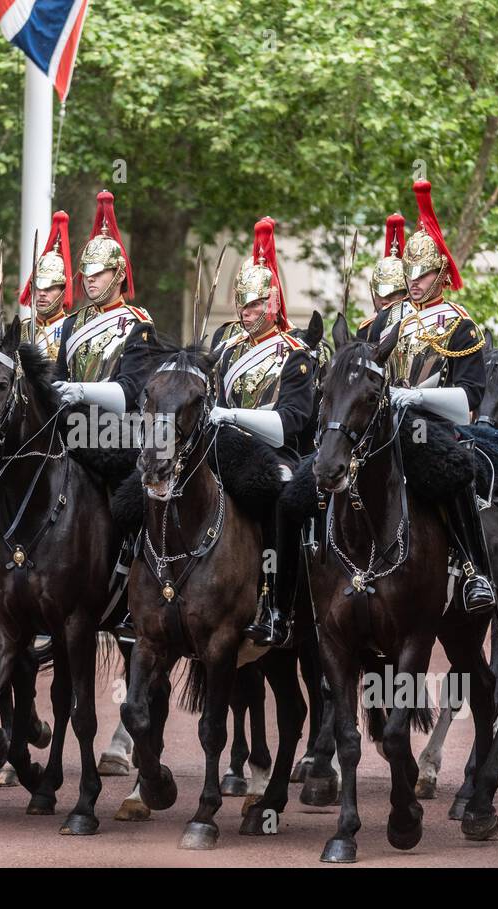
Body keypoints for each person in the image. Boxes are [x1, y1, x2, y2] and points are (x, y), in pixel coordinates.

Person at [380, 180, 494, 612]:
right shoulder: (384, 324)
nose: (413, 282)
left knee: (451, 470)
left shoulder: (461, 325)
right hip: (379, 426)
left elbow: (468, 400)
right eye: (409, 274)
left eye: (423, 273)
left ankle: (473, 569)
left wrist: (415, 399)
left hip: (432, 427)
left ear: (442, 273)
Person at [212, 217, 316, 646]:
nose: (245, 312)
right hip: (221, 447)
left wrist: (228, 416)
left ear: (272, 303)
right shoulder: (223, 344)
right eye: (242, 304)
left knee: (281, 489)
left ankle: (276, 605)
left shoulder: (296, 353)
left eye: (254, 305)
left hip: (274, 452)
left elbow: (291, 422)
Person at [52, 191, 161, 414]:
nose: (90, 278)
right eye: (87, 271)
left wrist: (82, 390)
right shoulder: (72, 323)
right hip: (68, 425)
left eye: (99, 272)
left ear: (120, 275)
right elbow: (59, 379)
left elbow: (130, 393)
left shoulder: (138, 325)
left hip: (115, 432)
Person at [21, 210, 72, 363]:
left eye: (50, 288)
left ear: (63, 291)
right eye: (38, 287)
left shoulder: (73, 329)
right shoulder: (21, 330)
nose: (42, 293)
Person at [357, 213, 413, 344]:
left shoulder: (416, 325)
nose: (384, 300)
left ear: (406, 294)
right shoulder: (365, 330)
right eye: (379, 294)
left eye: (392, 294)